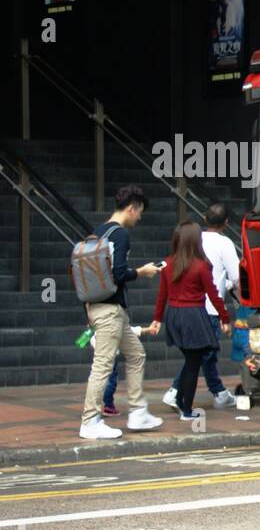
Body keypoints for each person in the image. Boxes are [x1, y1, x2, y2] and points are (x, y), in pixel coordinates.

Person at [78, 186, 165, 440]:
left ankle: (139, 412)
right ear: (132, 207)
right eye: (139, 213)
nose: (139, 218)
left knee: (136, 354)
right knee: (103, 365)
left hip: (100, 307)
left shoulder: (97, 232)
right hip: (110, 311)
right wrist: (142, 271)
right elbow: (118, 273)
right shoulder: (121, 235)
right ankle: (90, 420)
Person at [146, 221, 232, 422]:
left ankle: (179, 397)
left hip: (173, 315)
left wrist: (157, 318)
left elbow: (162, 295)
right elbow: (214, 295)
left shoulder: (168, 263)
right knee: (194, 363)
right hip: (193, 315)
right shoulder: (201, 266)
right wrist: (225, 318)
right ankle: (186, 409)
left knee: (190, 360)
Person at [161, 204, 239, 410]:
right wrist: (226, 310)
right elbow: (236, 277)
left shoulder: (192, 239)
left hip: (183, 307)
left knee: (199, 355)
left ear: (204, 218)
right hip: (207, 308)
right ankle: (179, 392)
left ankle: (216, 392)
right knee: (202, 355)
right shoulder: (224, 243)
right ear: (227, 223)